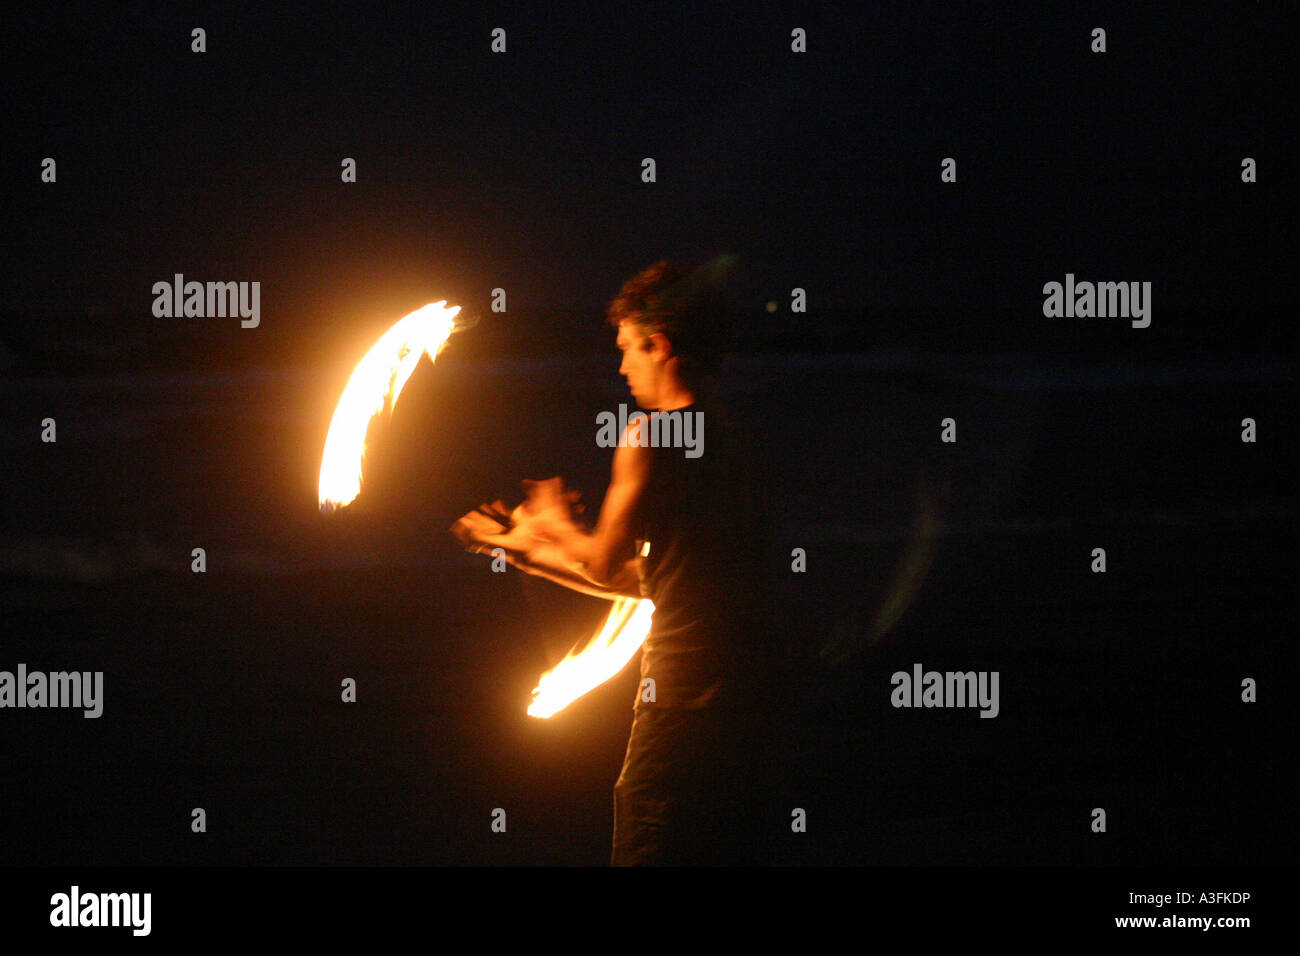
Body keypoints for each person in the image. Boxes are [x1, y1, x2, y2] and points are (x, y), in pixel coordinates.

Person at [453, 257, 775, 865]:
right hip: (750, 702)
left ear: (659, 344)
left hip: (678, 700)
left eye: (627, 348)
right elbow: (655, 583)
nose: (622, 366)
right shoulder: (737, 440)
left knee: (648, 832)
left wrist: (548, 527)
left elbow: (604, 566)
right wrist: (523, 550)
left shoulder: (650, 438)